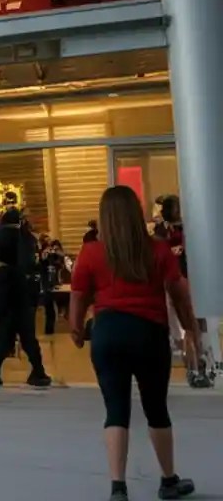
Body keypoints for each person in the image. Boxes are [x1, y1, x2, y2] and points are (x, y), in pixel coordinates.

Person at [70, 185, 198, 501]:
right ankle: (168, 481)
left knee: (115, 410)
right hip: (149, 334)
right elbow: (179, 295)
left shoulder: (91, 252)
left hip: (108, 334)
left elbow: (78, 297)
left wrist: (75, 330)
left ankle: (118, 487)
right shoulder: (159, 250)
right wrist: (190, 328)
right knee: (156, 409)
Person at [0, 208, 52, 388]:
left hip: (6, 290)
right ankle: (37, 371)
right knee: (25, 333)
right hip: (23, 290)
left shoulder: (0, 236)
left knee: (5, 332)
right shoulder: (28, 237)